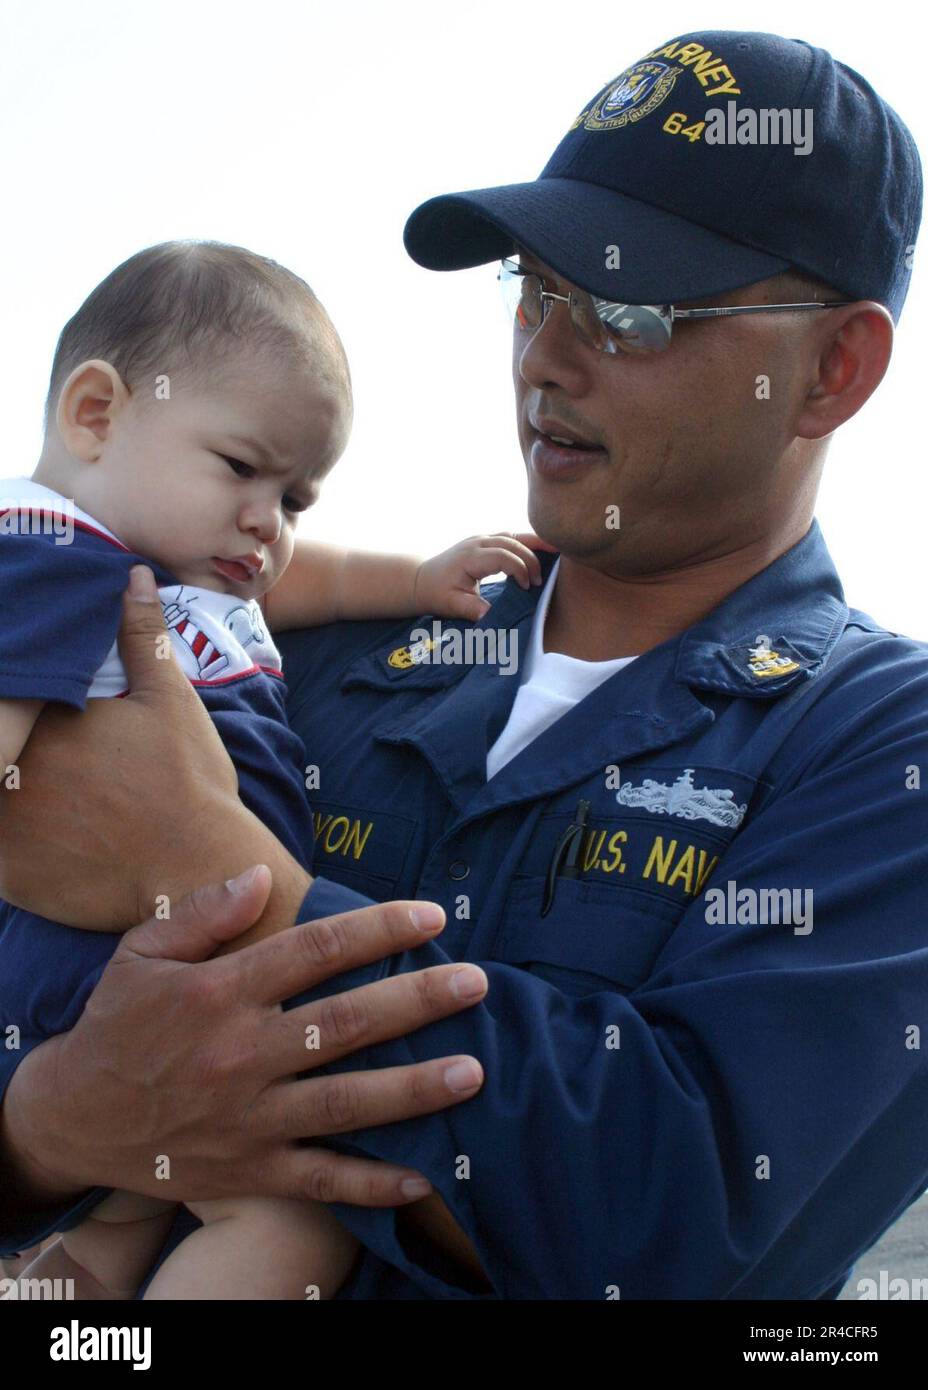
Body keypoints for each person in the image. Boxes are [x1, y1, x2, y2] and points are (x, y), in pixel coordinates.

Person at [2, 26, 927, 1300]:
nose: (549, 354)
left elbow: (689, 1219)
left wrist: (214, 874)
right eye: (535, 291)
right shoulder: (286, 653)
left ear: (834, 369)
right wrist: (47, 1126)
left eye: (629, 309)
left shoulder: (880, 749)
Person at [0, 239, 549, 1299]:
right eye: (242, 468)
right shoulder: (48, 551)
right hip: (109, 961)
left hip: (166, 956)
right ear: (96, 415)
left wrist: (419, 576)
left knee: (115, 1222)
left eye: (297, 497)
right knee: (290, 1214)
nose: (269, 522)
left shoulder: (186, 572)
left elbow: (313, 587)